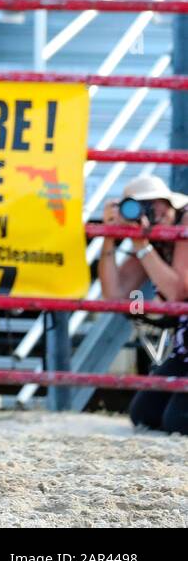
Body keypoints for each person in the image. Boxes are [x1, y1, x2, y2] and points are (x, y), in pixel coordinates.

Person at [99, 175, 188, 435]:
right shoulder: (149, 238)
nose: (153, 210)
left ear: (169, 200)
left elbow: (177, 291)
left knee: (178, 422)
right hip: (184, 345)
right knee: (144, 415)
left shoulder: (184, 221)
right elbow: (115, 295)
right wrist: (109, 236)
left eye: (156, 202)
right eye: (141, 205)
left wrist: (142, 245)